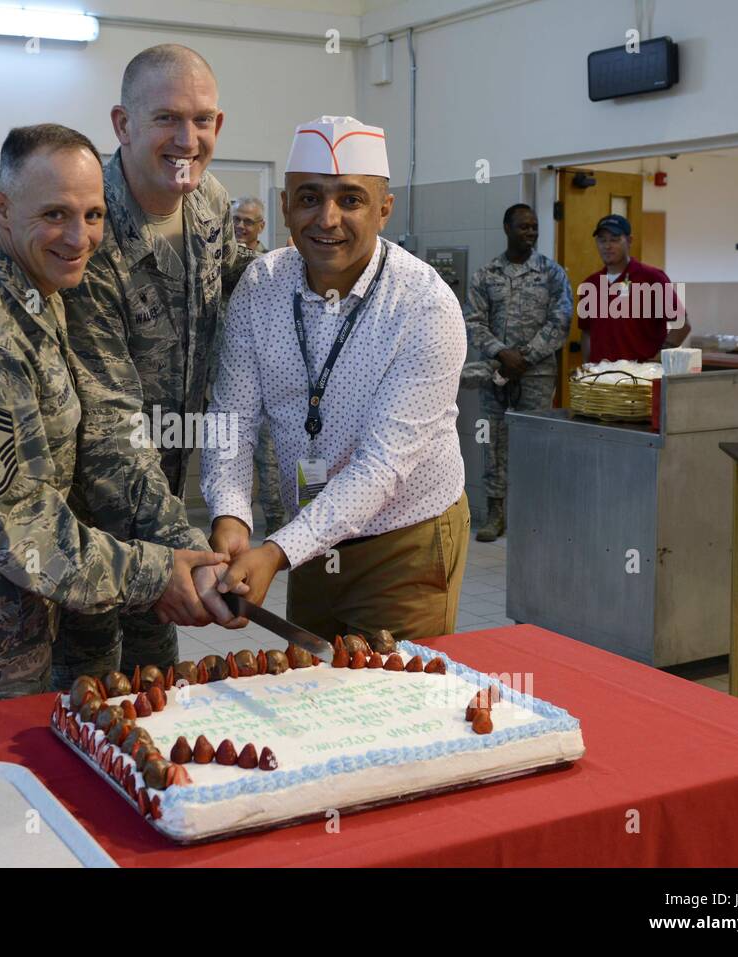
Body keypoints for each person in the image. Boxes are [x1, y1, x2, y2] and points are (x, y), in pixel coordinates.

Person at [0, 124, 228, 712]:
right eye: (56, 214)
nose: (79, 237)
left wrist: (181, 545)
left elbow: (102, 433)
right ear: (0, 209)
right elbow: (18, 528)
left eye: (93, 215)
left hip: (29, 600)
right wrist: (157, 572)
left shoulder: (35, 285)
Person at [203, 116, 469, 642]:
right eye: (309, 198)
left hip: (404, 540)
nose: (327, 219)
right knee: (315, 696)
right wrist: (230, 517)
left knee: (397, 709)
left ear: (384, 209)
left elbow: (382, 466)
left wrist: (276, 553)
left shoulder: (424, 305)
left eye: (350, 199)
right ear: (284, 205)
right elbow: (230, 418)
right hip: (312, 540)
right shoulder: (262, 286)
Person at [55, 43, 254, 687]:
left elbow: (237, 309)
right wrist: (188, 549)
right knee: (84, 693)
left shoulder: (210, 205)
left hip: (163, 495)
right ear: (123, 124)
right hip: (85, 521)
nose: (186, 138)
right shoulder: (90, 231)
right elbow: (109, 430)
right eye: (166, 118)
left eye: (201, 120)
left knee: (154, 691)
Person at [464, 204, 573, 542]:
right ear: (507, 228)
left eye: (534, 227)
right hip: (494, 374)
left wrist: (524, 358)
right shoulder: (486, 274)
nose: (530, 232)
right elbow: (472, 321)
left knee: (534, 444)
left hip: (536, 376)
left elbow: (561, 320)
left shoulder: (552, 273)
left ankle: (531, 515)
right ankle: (496, 515)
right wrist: (501, 353)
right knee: (493, 443)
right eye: (523, 226)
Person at [215, 196, 284, 536]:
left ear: (261, 227)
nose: (240, 226)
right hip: (218, 378)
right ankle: (227, 523)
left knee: (269, 461)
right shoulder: (216, 263)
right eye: (236, 220)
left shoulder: (272, 268)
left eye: (247, 221)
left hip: (265, 380)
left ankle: (277, 525)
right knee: (223, 450)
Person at [577, 214, 691, 362]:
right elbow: (587, 333)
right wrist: (587, 369)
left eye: (614, 239)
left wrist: (657, 360)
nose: (607, 246)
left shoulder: (652, 278)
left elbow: (682, 325)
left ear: (629, 241)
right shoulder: (591, 284)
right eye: (602, 240)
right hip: (602, 378)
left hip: (641, 378)